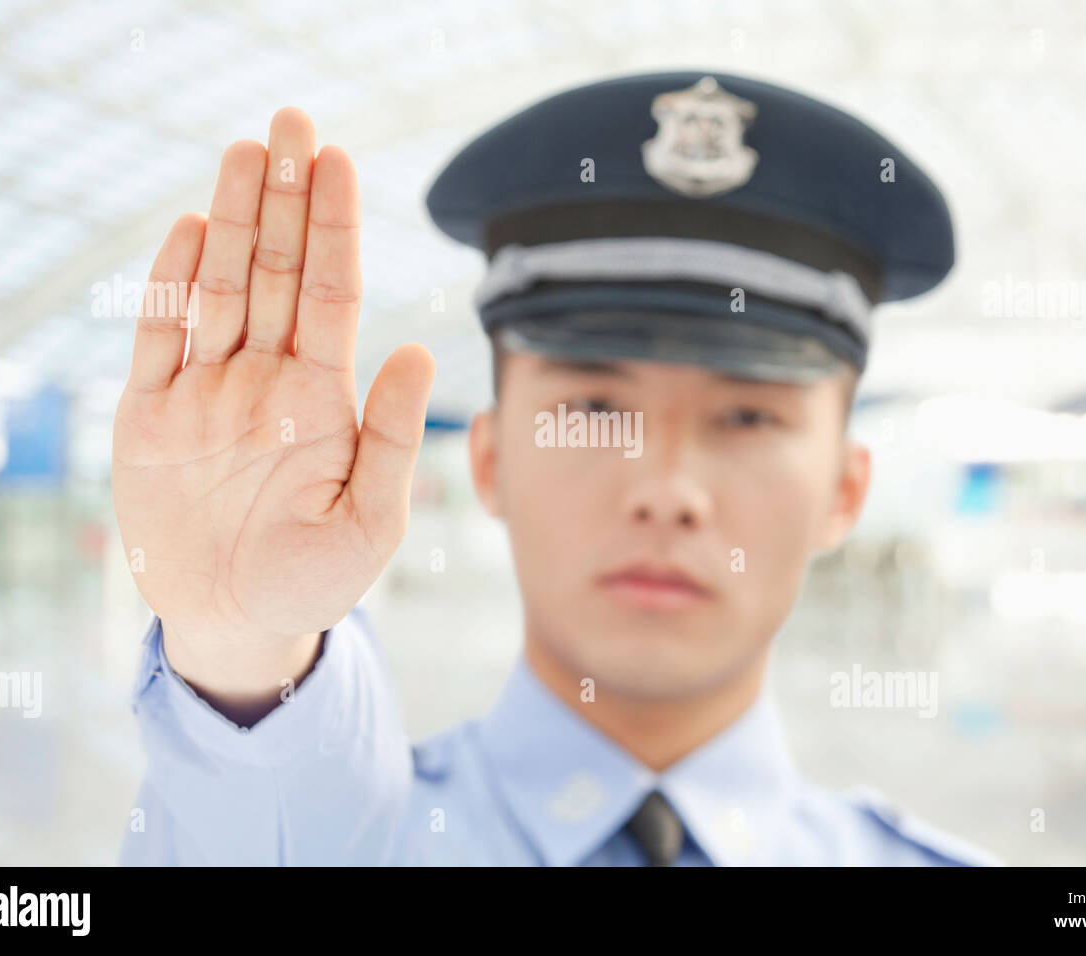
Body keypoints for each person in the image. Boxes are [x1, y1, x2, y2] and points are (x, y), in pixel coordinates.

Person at [113, 71, 999, 866]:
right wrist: (243, 658)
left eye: (747, 416)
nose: (666, 490)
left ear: (845, 489)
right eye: (595, 411)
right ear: (493, 460)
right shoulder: (349, 845)